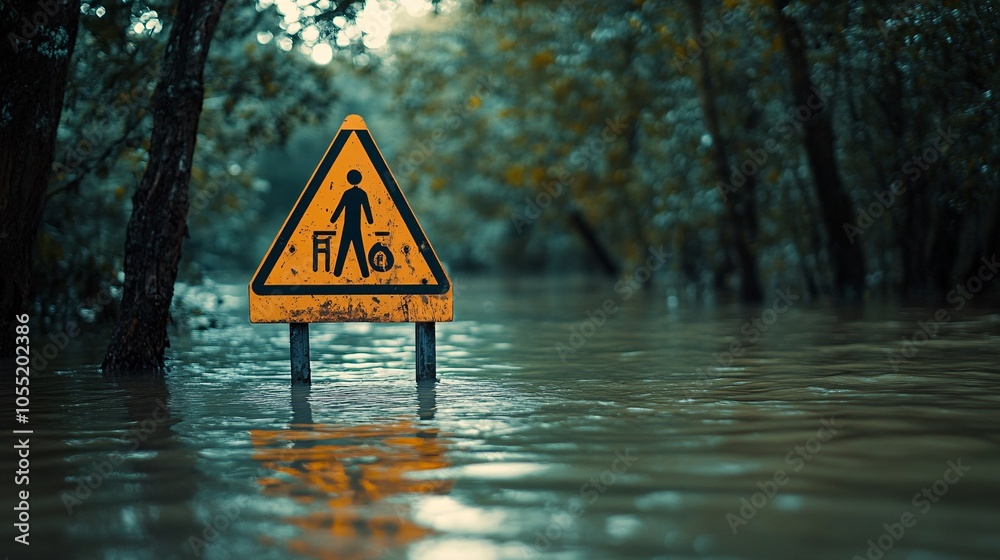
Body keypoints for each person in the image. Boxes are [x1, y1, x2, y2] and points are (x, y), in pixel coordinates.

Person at [330, 169, 373, 277]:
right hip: (356, 226)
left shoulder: (347, 193)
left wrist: (333, 219)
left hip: (347, 226)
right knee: (359, 248)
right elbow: (367, 208)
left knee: (343, 248)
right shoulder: (362, 194)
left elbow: (340, 207)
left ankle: (337, 272)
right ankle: (365, 273)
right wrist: (370, 220)